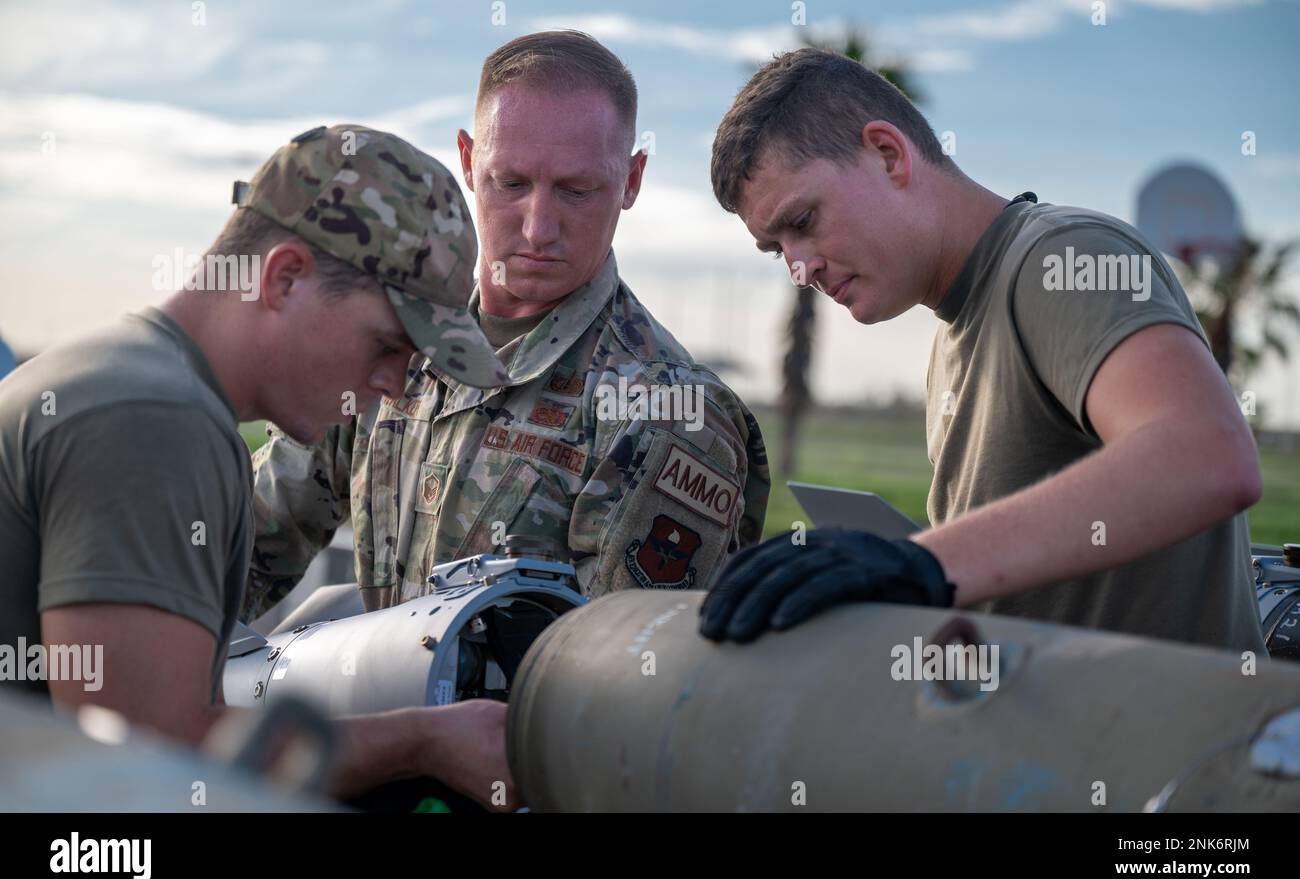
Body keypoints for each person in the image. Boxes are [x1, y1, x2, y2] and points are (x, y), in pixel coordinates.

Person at [0, 124, 520, 808]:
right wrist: (424, 740)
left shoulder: (135, 380)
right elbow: (139, 772)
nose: (395, 383)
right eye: (387, 344)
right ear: (285, 278)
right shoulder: (155, 420)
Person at [700, 48, 1266, 655]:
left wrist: (921, 563)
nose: (799, 267)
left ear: (888, 154)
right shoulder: (952, 332)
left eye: (804, 221)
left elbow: (1206, 455)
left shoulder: (1062, 259)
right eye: (776, 249)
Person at [245, 31, 770, 618]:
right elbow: (248, 547)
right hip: (379, 707)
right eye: (512, 183)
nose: (539, 227)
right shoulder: (394, 349)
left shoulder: (667, 414)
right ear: (469, 162)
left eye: (576, 189)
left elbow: (622, 683)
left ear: (632, 179)